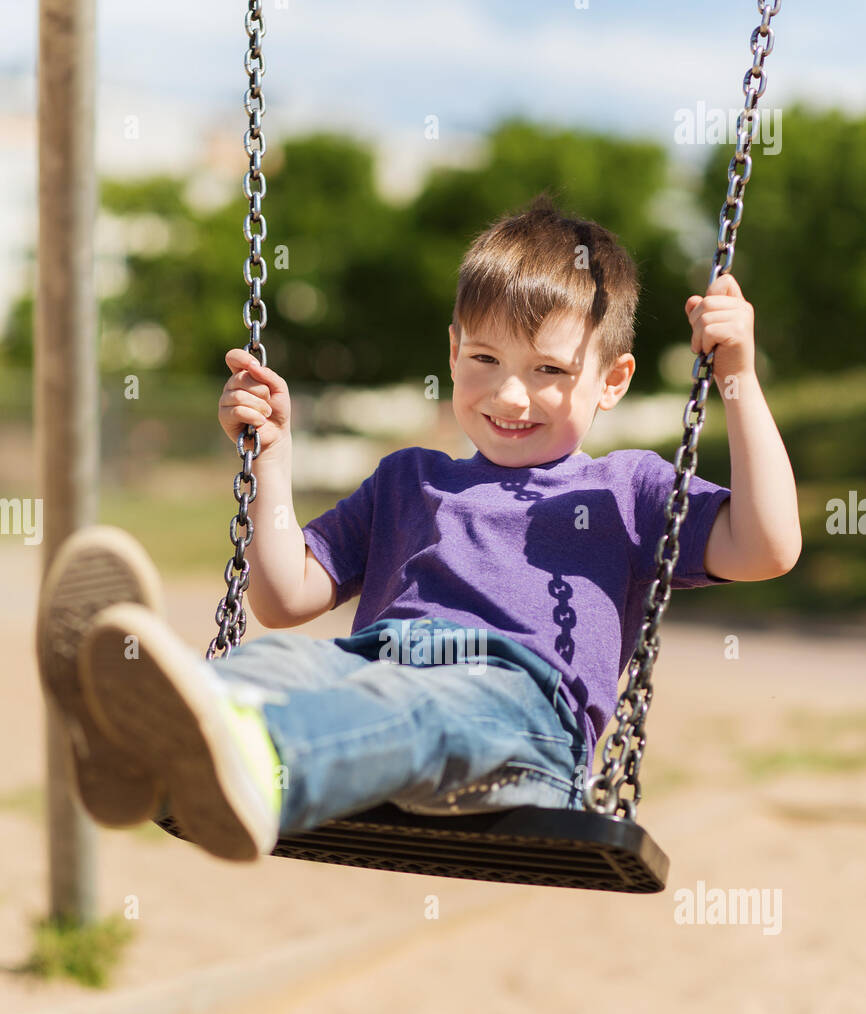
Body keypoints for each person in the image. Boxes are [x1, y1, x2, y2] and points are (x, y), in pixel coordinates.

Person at [36, 194, 802, 862]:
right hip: (373, 671)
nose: (511, 393)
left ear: (612, 380)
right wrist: (272, 457)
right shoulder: (410, 480)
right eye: (485, 358)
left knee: (423, 707)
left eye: (550, 371)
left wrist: (735, 376)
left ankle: (254, 763)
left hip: (518, 722)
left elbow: (767, 546)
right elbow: (285, 597)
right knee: (281, 665)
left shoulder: (625, 489)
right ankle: (139, 738)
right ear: (452, 351)